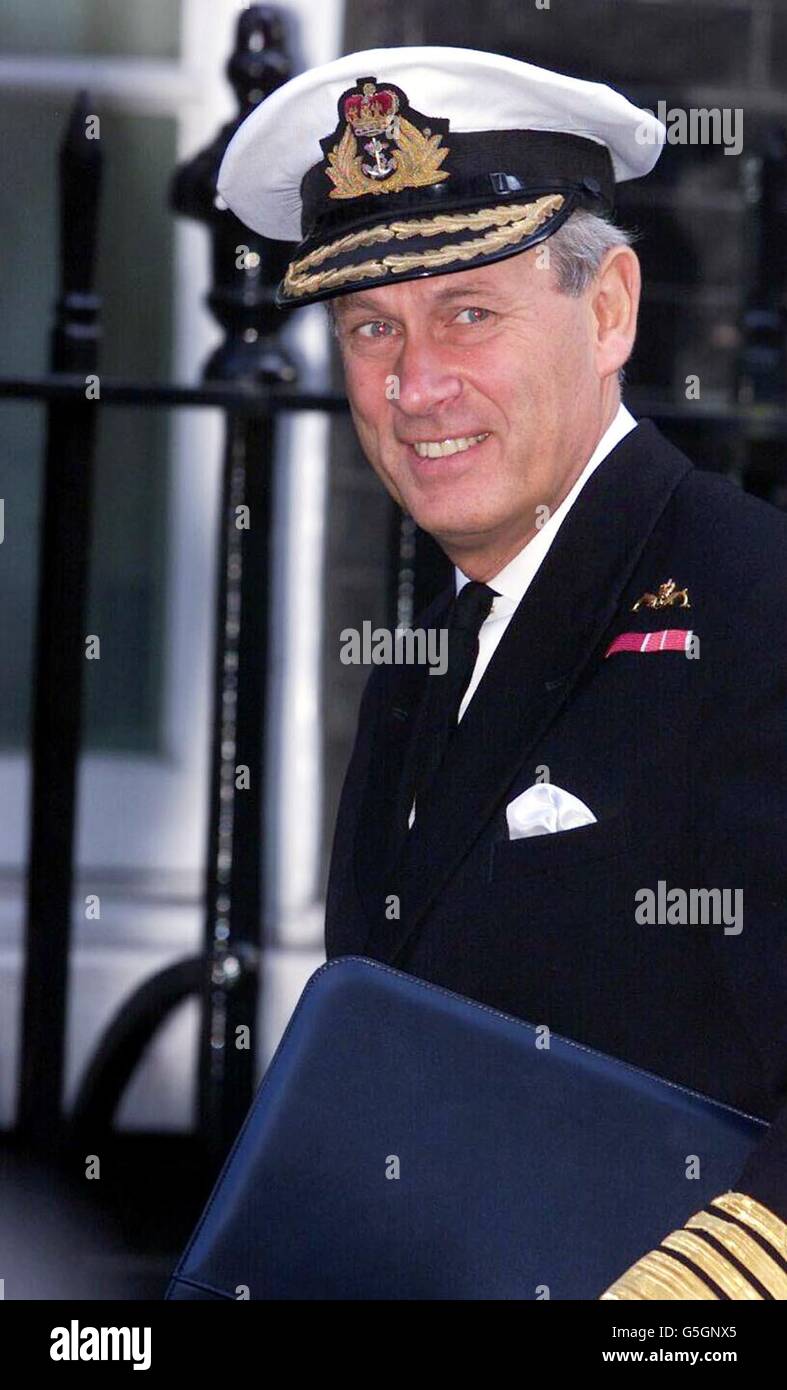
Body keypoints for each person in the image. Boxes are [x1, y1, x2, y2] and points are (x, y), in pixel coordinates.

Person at [219, 45, 787, 1300]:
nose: (414, 386)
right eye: (372, 326)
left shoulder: (753, 607)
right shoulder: (424, 668)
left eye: (468, 311)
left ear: (608, 310)